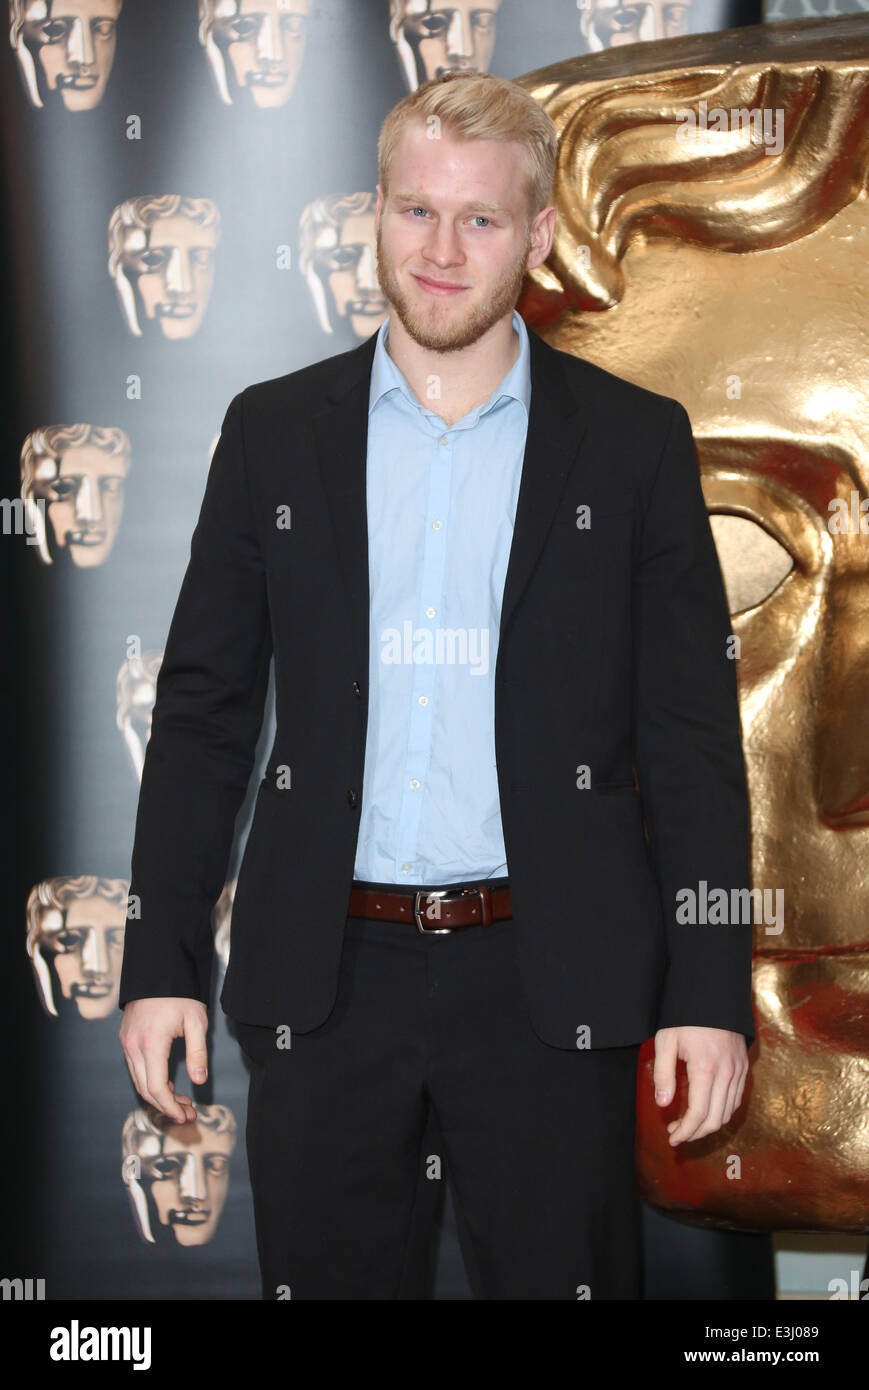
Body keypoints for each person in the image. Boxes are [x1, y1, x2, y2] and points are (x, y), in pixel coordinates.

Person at [119, 70, 754, 1300]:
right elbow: (201, 718)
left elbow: (689, 740)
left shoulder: (631, 446)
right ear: (374, 213)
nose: (443, 250)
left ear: (539, 235)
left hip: (551, 985)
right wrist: (155, 965)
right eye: (416, 211)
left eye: (480, 219)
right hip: (324, 984)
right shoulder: (272, 433)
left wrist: (711, 989)